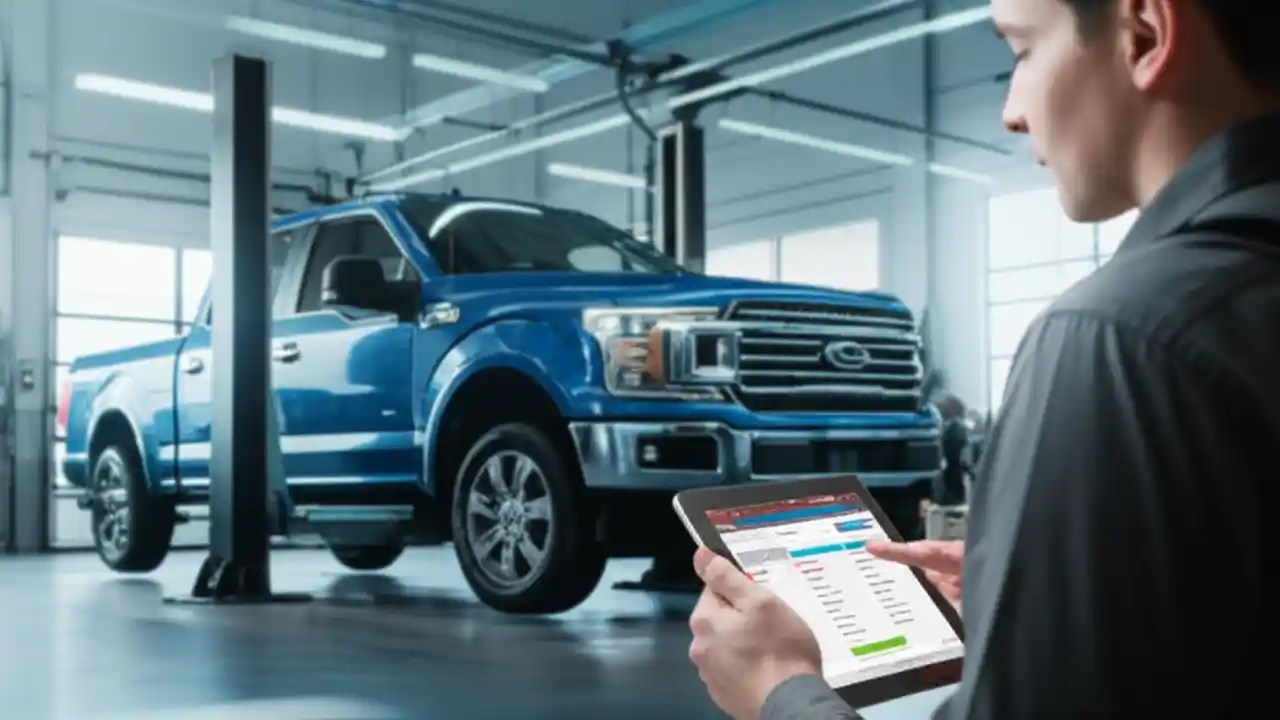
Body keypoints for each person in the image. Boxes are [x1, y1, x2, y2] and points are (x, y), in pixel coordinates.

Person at [687, 0, 1277, 717]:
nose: (1012, 112)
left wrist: (781, 689)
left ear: (1145, 33)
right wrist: (1046, 599)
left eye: (1021, 52)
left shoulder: (1117, 338)